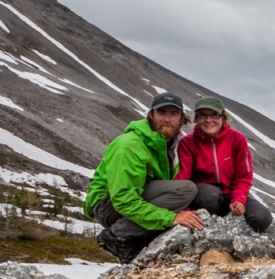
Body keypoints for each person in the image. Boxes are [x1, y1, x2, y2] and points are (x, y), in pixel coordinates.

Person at [84, 92, 204, 263]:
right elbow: (124, 199)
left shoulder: (170, 144)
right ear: (151, 115)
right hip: (108, 204)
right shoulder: (129, 145)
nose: (167, 119)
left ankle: (136, 237)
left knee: (191, 190)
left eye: (174, 113)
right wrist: (170, 218)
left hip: (136, 196)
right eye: (162, 113)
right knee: (186, 190)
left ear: (182, 118)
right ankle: (117, 236)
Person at [176, 96, 273, 233]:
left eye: (214, 114)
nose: (209, 120)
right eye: (203, 115)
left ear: (223, 117)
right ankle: (207, 227)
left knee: (262, 218)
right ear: (197, 119)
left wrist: (238, 200)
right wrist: (183, 210)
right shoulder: (188, 142)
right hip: (203, 196)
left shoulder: (237, 139)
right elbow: (183, 178)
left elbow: (244, 176)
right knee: (210, 195)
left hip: (230, 194)